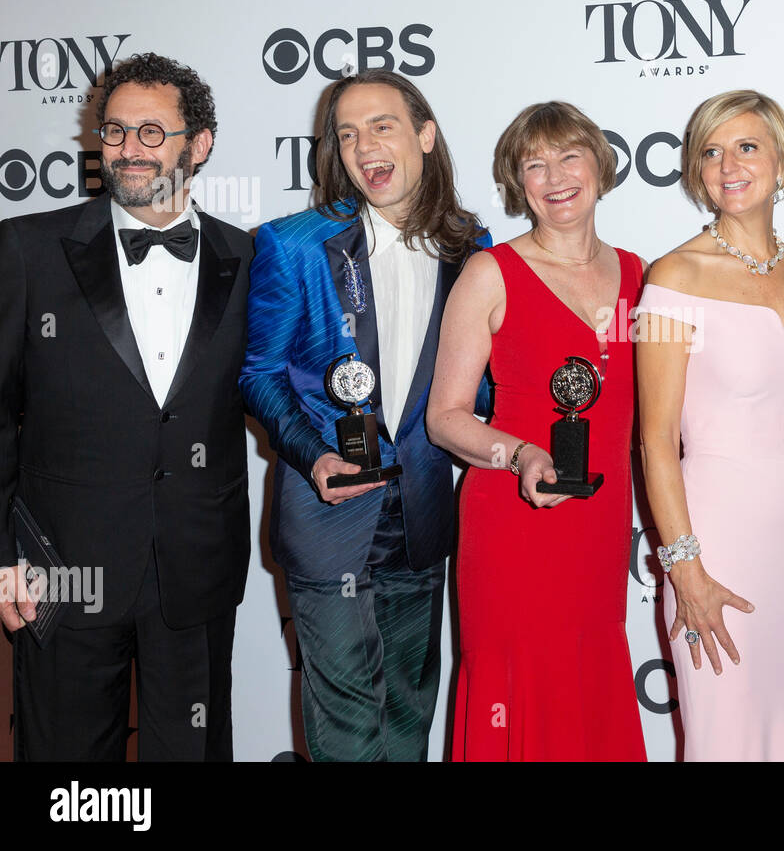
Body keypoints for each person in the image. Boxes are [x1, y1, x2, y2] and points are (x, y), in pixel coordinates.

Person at [0, 52, 251, 760]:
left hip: (196, 564)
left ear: (199, 146)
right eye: (114, 132)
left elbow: (271, 386)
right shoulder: (29, 248)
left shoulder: (250, 259)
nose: (129, 150)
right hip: (62, 566)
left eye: (151, 131)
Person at [240, 69, 487, 761]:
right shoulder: (293, 245)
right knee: (347, 729)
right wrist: (313, 453)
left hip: (424, 514)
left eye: (382, 125)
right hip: (331, 515)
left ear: (425, 136)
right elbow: (258, 375)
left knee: (409, 716)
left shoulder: (472, 250)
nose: (364, 147)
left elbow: (481, 390)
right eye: (347, 134)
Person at [426, 100, 646, 761]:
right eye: (535, 164)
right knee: (513, 686)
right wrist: (519, 453)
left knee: (587, 675)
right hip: (514, 523)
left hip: (599, 523)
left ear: (600, 167)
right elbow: (444, 417)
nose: (555, 176)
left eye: (569, 156)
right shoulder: (490, 272)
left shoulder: (639, 274)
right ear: (519, 184)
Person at [636, 90, 784, 761]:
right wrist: (684, 570)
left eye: (747, 146)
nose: (728, 165)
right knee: (723, 737)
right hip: (717, 544)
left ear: (781, 160)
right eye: (711, 152)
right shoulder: (673, 275)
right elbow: (657, 441)